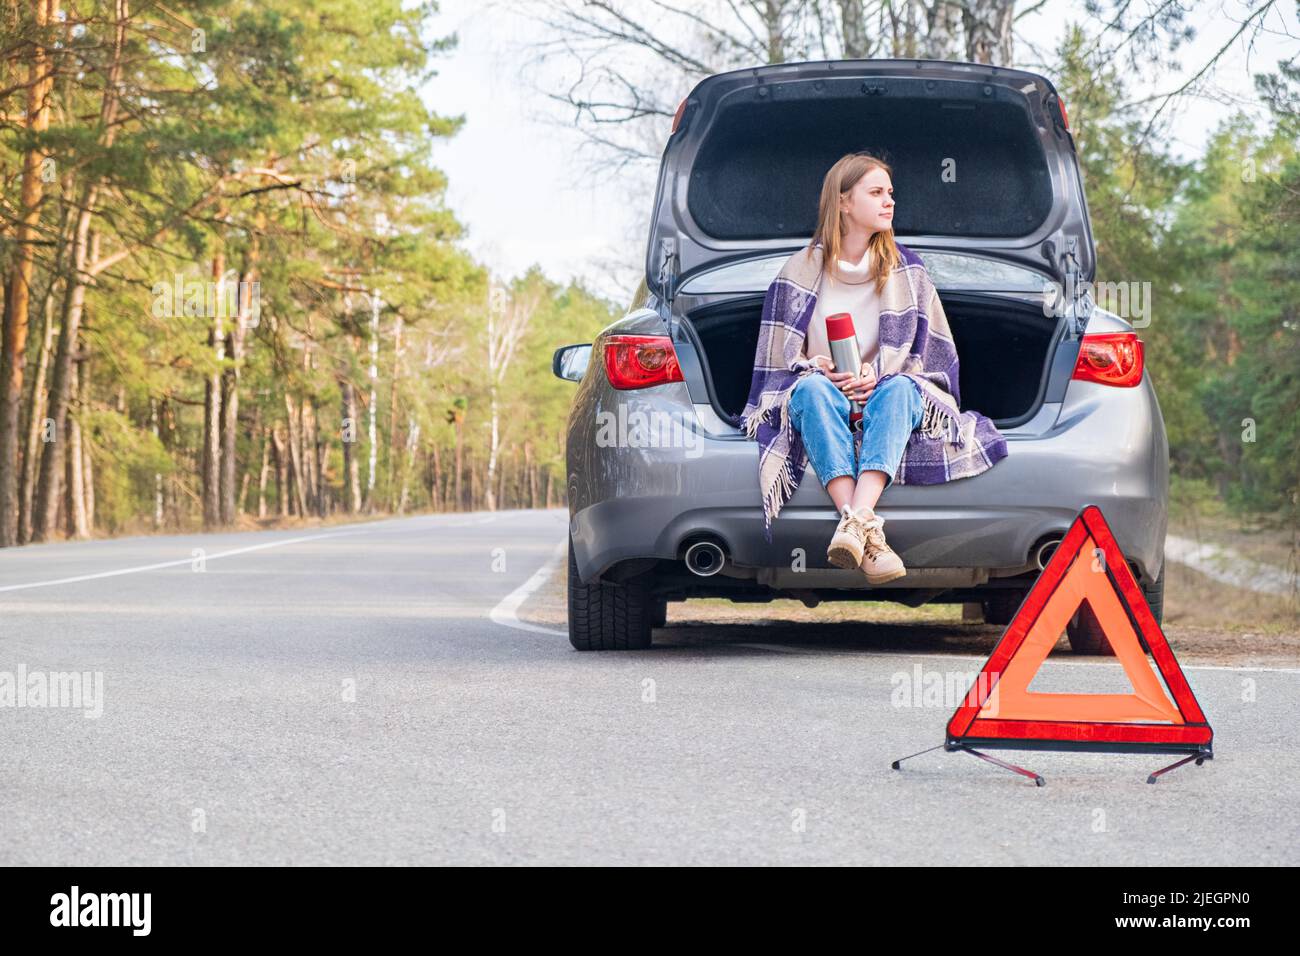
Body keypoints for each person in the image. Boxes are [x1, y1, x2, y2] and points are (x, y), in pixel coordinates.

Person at [739, 151, 1009, 584]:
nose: (890, 202)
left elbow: (930, 360)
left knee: (901, 388)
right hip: (827, 395)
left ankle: (854, 521)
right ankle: (867, 534)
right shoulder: (799, 271)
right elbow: (783, 358)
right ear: (844, 202)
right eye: (877, 192)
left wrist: (879, 374)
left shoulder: (908, 270)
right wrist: (817, 366)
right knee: (807, 390)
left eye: (891, 193)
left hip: (886, 394)